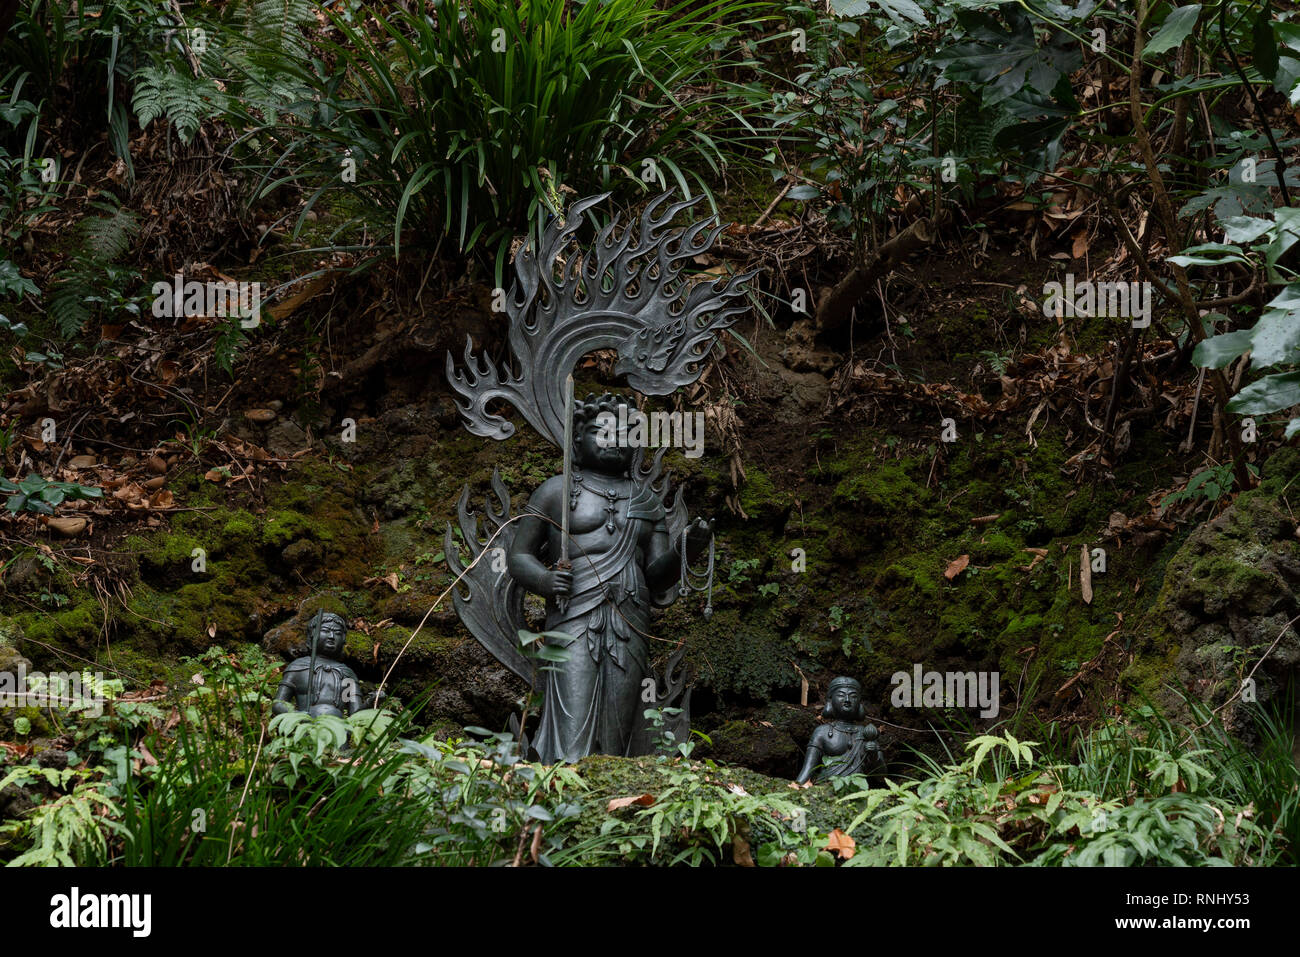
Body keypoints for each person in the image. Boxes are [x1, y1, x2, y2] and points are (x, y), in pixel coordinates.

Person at [507, 392, 710, 763]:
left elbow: (656, 578)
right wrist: (545, 580)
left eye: (623, 435)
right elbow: (518, 556)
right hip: (573, 614)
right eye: (602, 432)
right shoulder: (556, 491)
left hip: (629, 616)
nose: (614, 440)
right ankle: (562, 778)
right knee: (573, 712)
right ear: (578, 438)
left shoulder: (646, 500)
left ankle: (612, 782)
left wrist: (686, 550)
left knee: (619, 720)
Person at [795, 676, 886, 783]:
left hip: (857, 789)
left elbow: (882, 776)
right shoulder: (822, 732)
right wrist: (796, 786)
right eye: (841, 695)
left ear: (859, 702)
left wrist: (874, 755)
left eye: (853, 696)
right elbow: (808, 769)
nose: (847, 700)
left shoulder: (867, 733)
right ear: (830, 700)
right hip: (826, 787)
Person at [272, 611, 362, 718]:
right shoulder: (298, 667)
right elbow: (278, 705)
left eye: (337, 633)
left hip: (338, 726)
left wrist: (370, 702)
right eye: (325, 631)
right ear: (312, 635)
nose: (332, 636)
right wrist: (298, 716)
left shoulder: (347, 674)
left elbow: (356, 715)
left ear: (343, 639)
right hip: (305, 724)